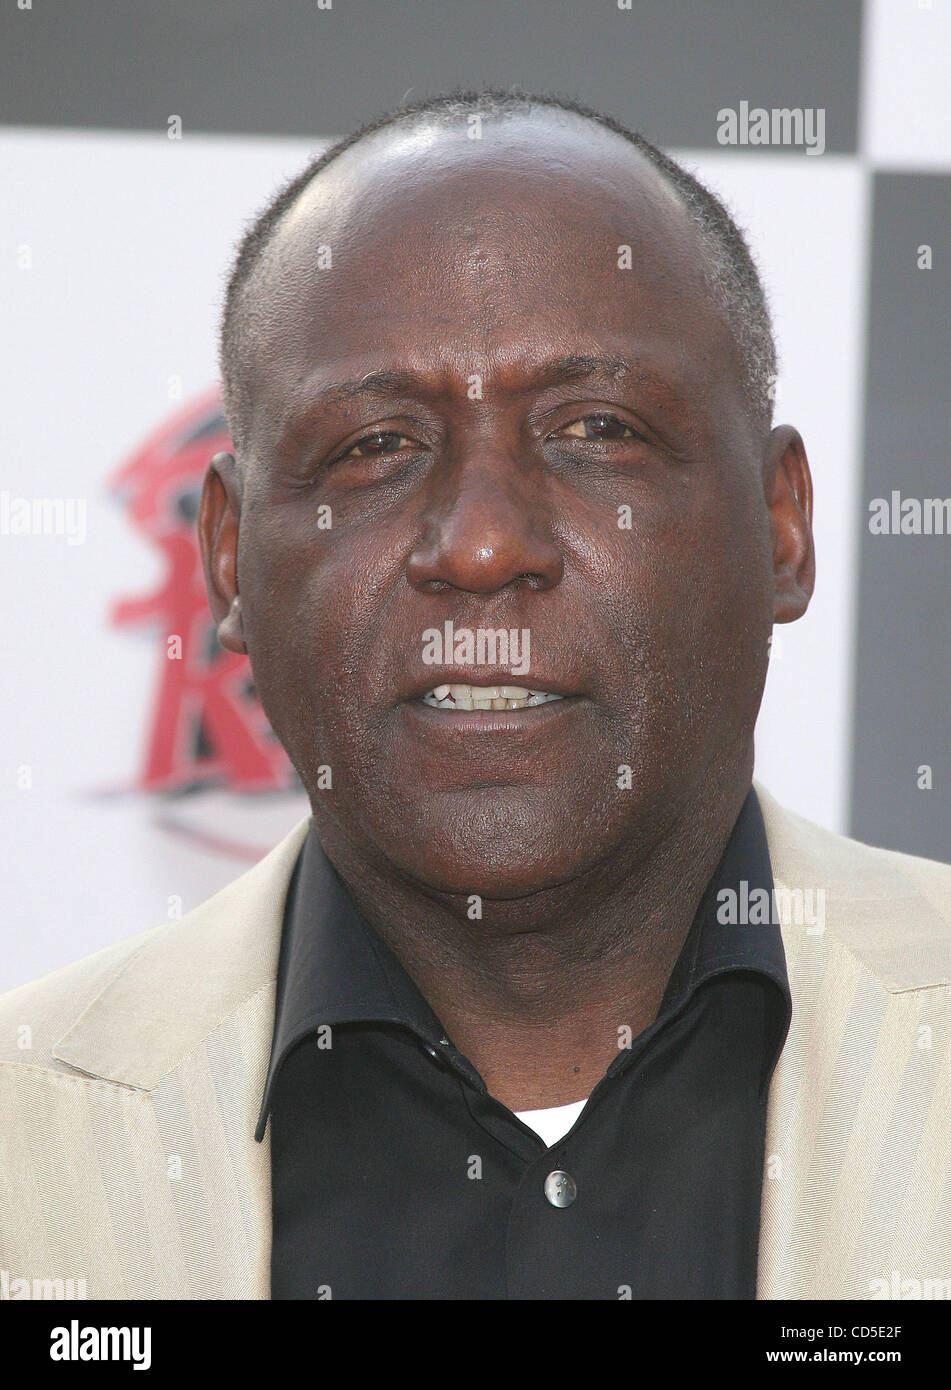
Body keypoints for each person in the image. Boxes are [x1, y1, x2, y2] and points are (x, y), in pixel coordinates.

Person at [1, 89, 948, 1301]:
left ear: (782, 528)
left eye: (596, 427)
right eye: (375, 446)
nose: (484, 543)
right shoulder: (25, 1146)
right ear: (230, 559)